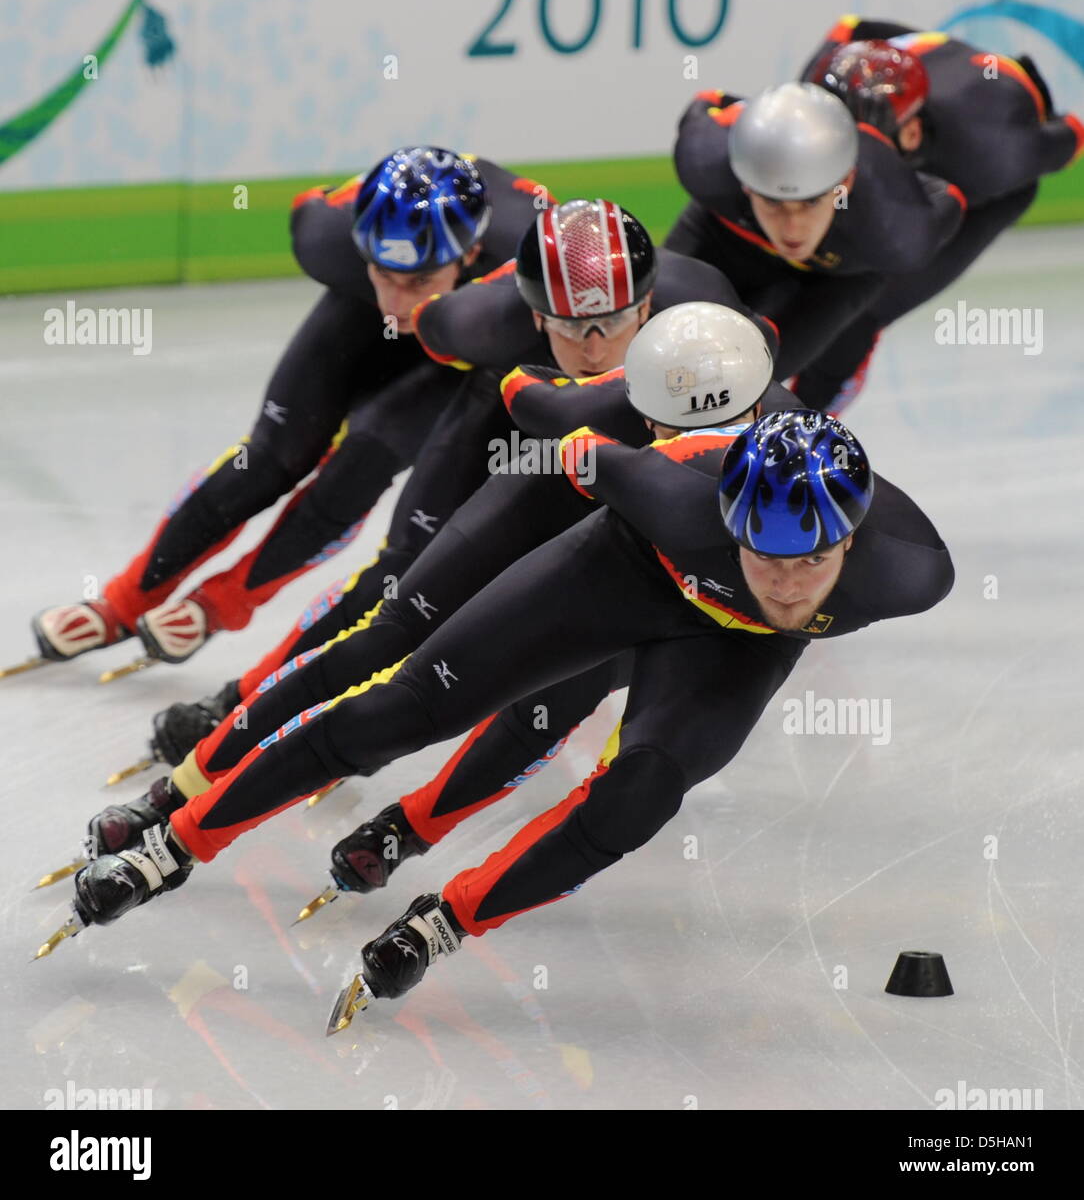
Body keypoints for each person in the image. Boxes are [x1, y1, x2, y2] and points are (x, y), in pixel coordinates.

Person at [64, 406, 953, 1029]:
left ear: (856, 540)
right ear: (731, 522)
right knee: (404, 709)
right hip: (628, 572)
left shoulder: (911, 572)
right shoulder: (672, 494)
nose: (788, 584)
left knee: (641, 793)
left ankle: (448, 919)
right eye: (767, 556)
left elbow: (788, 592)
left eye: (816, 562)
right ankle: (173, 846)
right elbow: (565, 450)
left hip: (732, 650)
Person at [145, 200, 782, 765]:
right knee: (394, 580)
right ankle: (241, 702)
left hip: (639, 425)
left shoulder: (700, 310)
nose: (592, 349)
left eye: (614, 324)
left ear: (648, 305)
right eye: (567, 327)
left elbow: (766, 369)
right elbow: (421, 332)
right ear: (534, 316)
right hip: (506, 420)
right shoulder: (474, 321)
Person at [32, 148, 549, 666]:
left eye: (417, 283)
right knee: (268, 455)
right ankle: (120, 602)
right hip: (360, 305)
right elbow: (353, 252)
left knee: (362, 461)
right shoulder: (324, 235)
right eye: (384, 275)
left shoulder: (524, 263)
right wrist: (404, 287)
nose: (397, 304)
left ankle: (220, 605)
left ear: (468, 254)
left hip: (468, 344)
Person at [792, 18, 1084, 408]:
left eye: (863, 152)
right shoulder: (819, 83)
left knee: (864, 305)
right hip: (944, 65)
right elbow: (850, 26)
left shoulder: (999, 156)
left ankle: (812, 414)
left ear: (910, 135)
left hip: (992, 160)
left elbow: (1073, 135)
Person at [666, 80, 966, 399]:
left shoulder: (896, 231)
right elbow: (712, 99)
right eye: (773, 202)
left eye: (811, 202)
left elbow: (949, 197)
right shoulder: (703, 161)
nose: (793, 229)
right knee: (653, 332)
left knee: (750, 383)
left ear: (845, 184)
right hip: (728, 236)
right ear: (745, 184)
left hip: (839, 274)